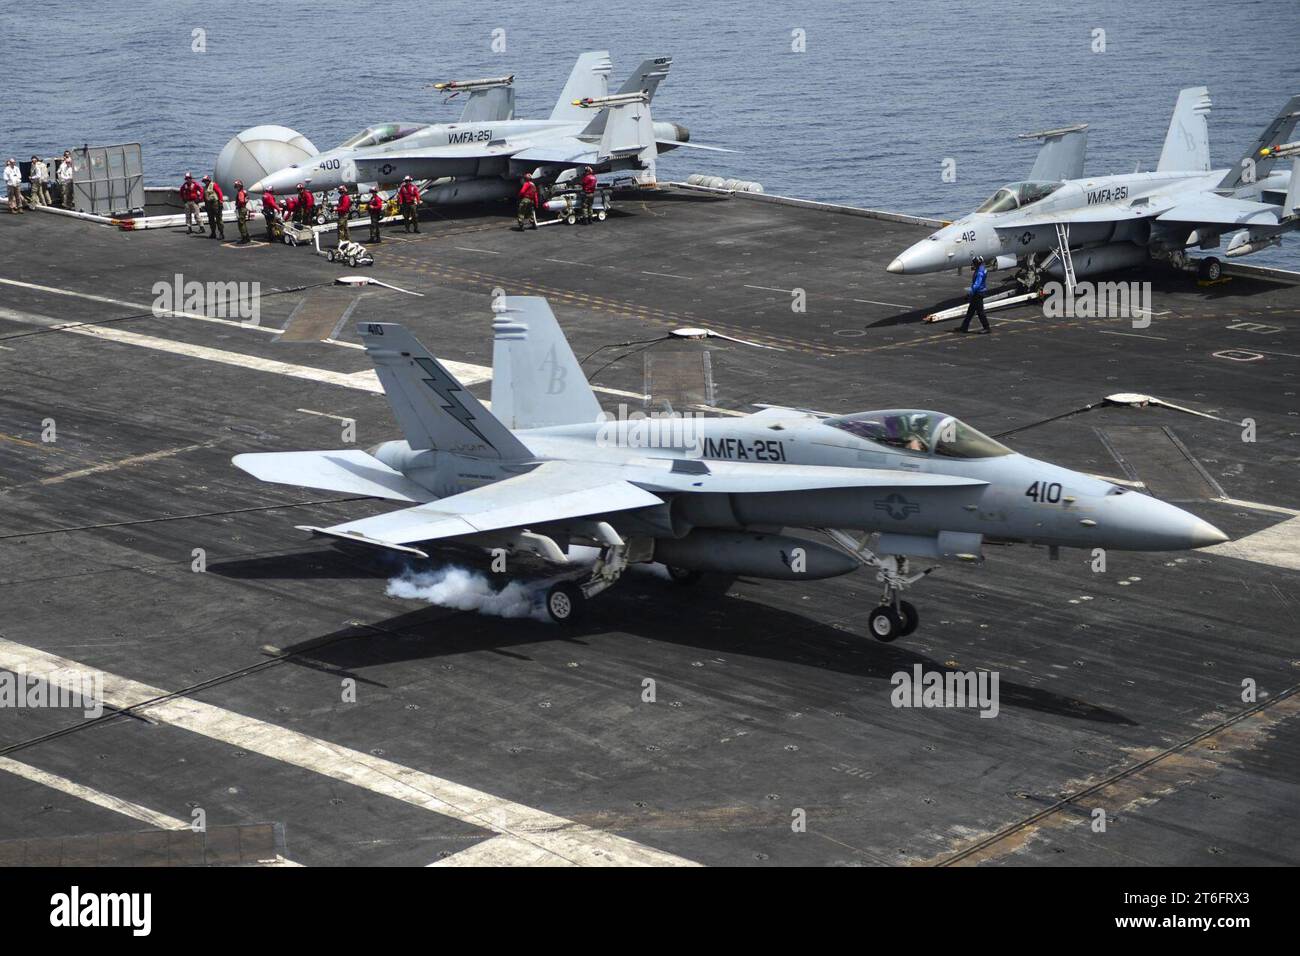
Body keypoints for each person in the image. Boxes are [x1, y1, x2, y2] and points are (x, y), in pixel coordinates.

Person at [957, 256, 990, 333]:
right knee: (970, 311)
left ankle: (987, 327)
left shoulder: (979, 272)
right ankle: (964, 327)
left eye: (974, 263)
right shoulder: (982, 269)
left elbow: (977, 285)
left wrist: (970, 293)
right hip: (978, 292)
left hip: (978, 293)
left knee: (980, 312)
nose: (973, 264)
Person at [233, 180, 250, 244]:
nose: (237, 187)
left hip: (241, 209)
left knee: (241, 224)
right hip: (244, 208)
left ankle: (244, 238)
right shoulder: (244, 192)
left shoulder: (240, 193)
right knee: (243, 223)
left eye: (237, 186)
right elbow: (246, 199)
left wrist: (238, 205)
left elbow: (241, 201)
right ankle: (247, 237)